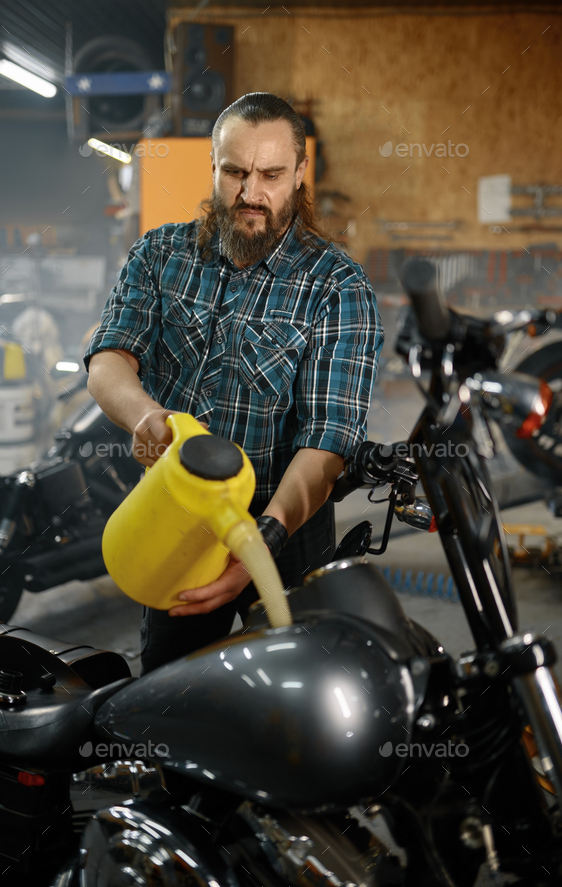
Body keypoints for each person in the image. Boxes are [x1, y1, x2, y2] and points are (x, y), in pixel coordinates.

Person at [85, 92, 384, 674]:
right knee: (170, 693)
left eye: (271, 174)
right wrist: (144, 415)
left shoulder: (337, 286)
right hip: (179, 523)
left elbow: (329, 439)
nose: (251, 193)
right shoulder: (159, 255)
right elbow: (109, 357)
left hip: (285, 536)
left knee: (289, 698)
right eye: (235, 172)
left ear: (300, 173)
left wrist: (259, 545)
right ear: (213, 166)